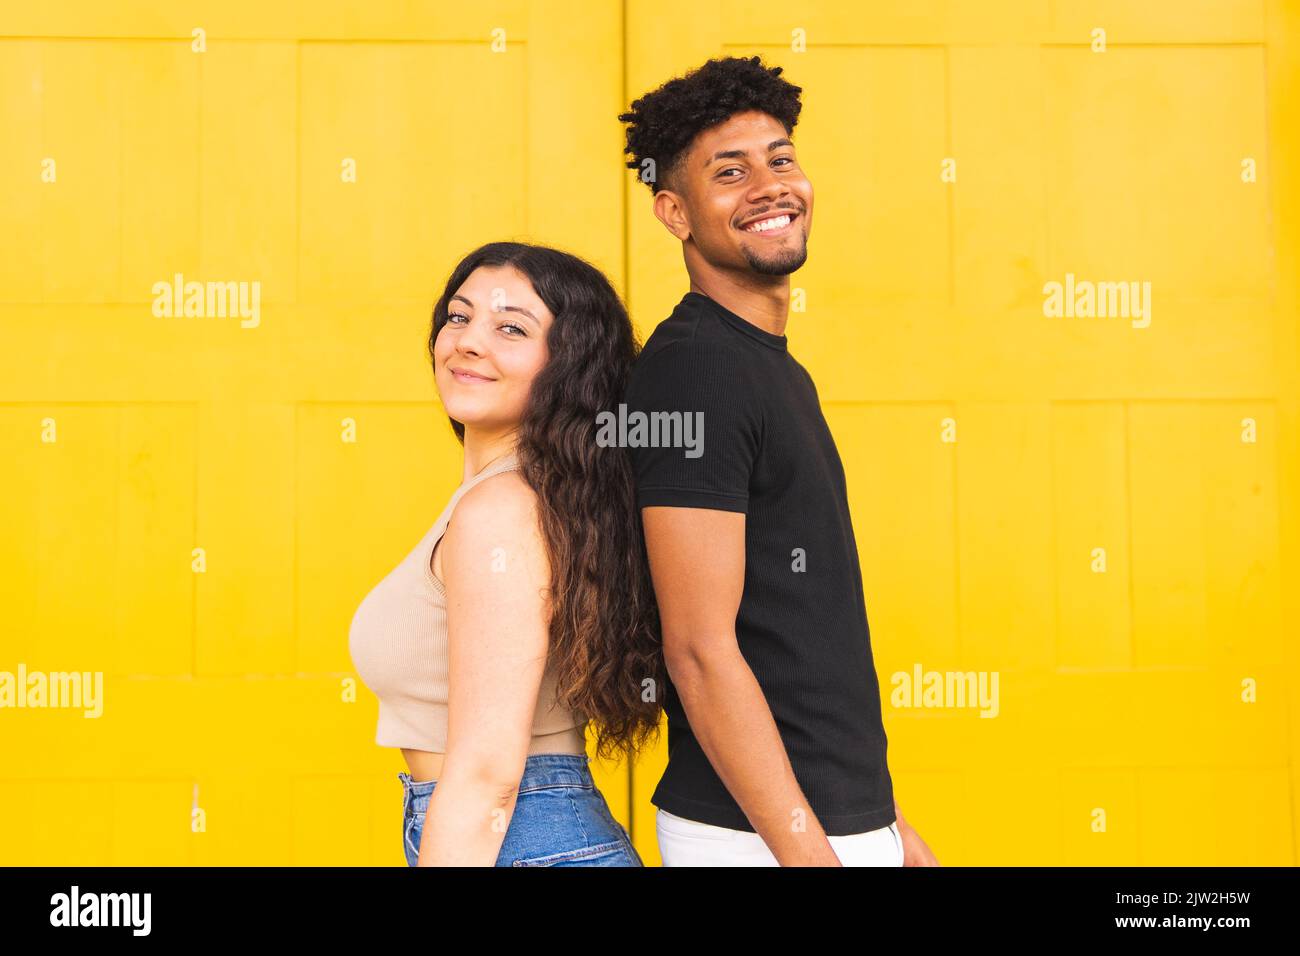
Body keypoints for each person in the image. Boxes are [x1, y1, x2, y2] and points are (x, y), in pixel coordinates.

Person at [618, 55, 939, 866]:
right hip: (756, 835)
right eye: (729, 173)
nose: (768, 185)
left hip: (830, 814)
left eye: (780, 159)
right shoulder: (697, 368)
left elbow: (798, 632)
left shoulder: (767, 363)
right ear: (675, 212)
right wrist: (807, 851)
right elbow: (698, 649)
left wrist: (887, 821)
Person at [349, 241, 663, 866]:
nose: (466, 341)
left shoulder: (501, 511)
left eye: (510, 328)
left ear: (566, 367)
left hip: (521, 841)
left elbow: (490, 771)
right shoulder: (527, 495)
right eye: (459, 316)